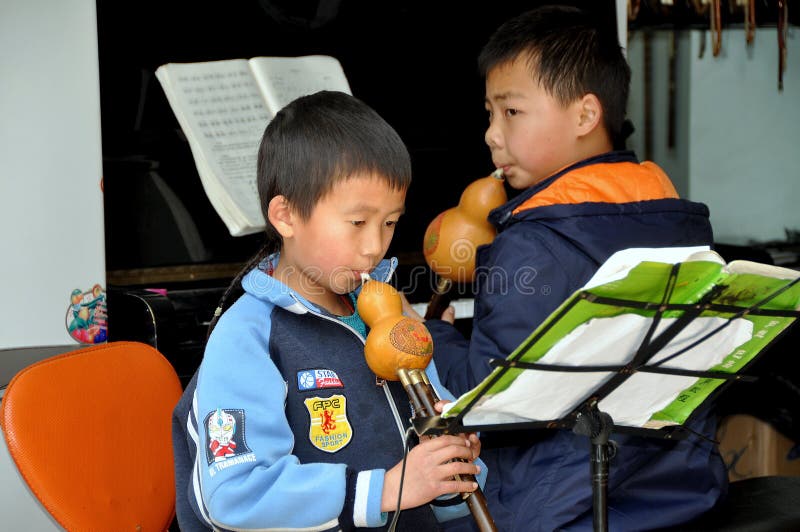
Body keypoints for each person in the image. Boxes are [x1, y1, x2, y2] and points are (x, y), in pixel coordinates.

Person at [407, 6, 729, 531]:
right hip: (680, 492)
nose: (491, 135)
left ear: (584, 116)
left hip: (558, 506)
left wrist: (432, 338)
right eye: (488, 113)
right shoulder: (676, 217)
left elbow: (489, 401)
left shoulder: (534, 242)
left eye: (510, 112)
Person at [172, 91, 486, 532]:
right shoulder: (247, 335)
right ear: (286, 216)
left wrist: (449, 471)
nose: (375, 245)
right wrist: (388, 489)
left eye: (391, 222)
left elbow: (434, 494)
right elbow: (234, 495)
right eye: (357, 222)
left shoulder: (392, 318)